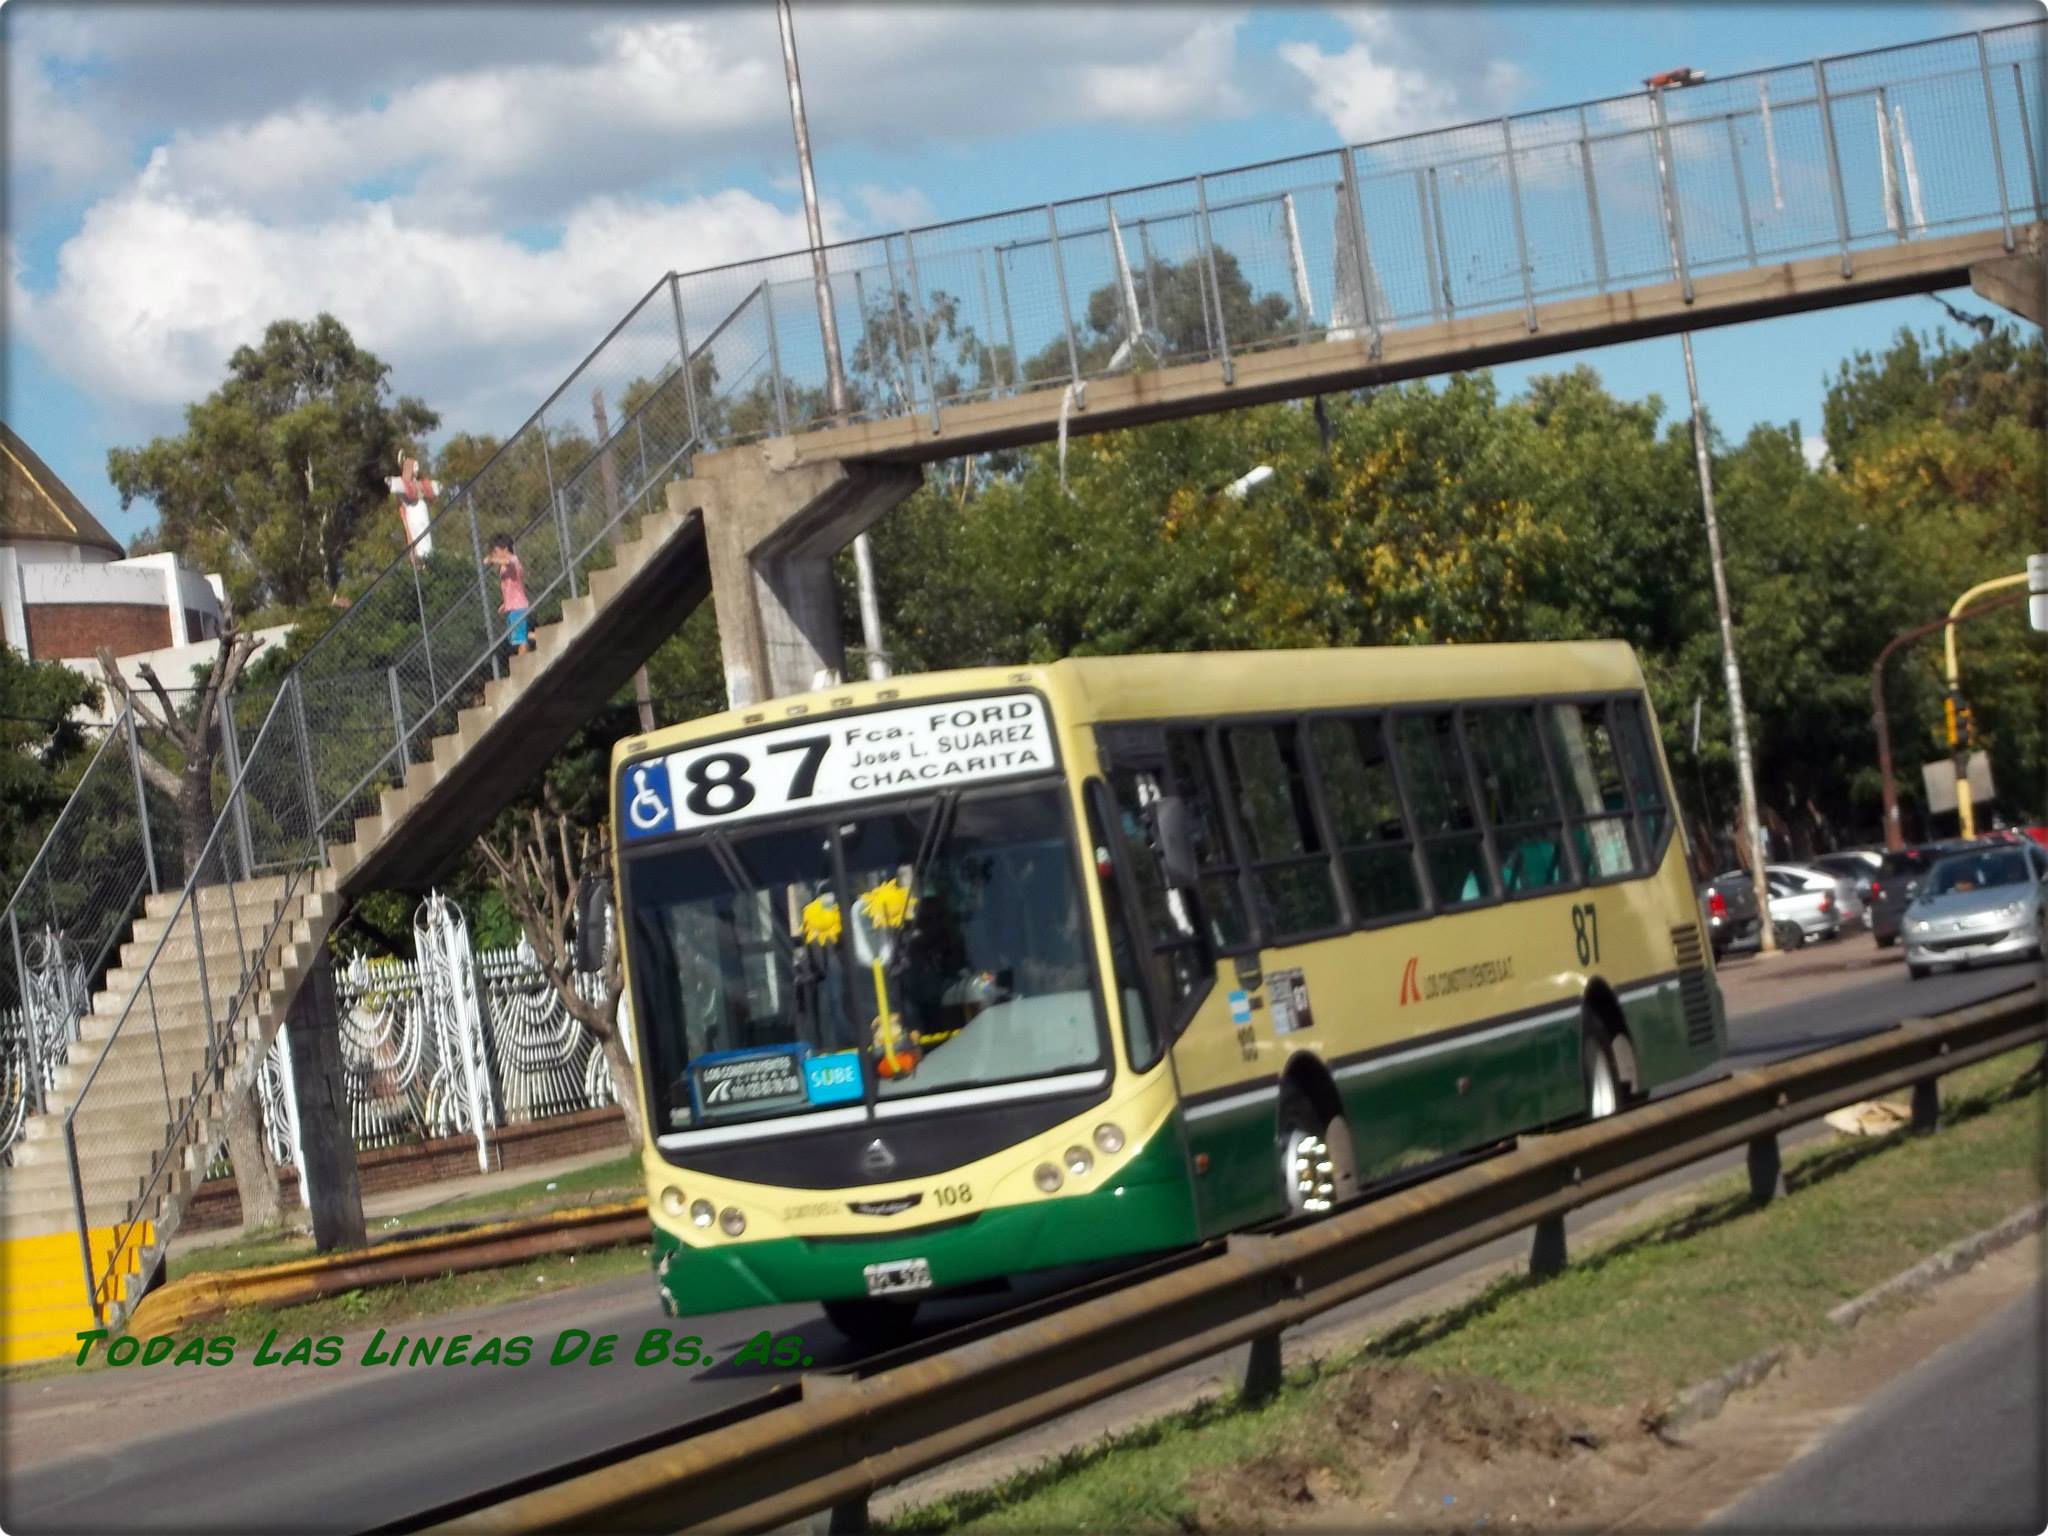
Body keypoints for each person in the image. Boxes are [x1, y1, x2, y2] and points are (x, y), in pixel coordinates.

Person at [485, 533, 532, 654]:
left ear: (505, 548)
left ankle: (524, 664)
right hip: (512, 606)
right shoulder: (505, 566)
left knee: (520, 640)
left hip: (518, 606)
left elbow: (508, 561)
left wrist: (492, 560)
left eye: (495, 551)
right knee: (518, 635)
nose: (494, 554)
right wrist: (505, 604)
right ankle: (542, 637)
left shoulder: (512, 560)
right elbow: (510, 587)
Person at [386, 454, 438, 563]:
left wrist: (425, 489)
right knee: (418, 538)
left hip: (422, 512)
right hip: (413, 513)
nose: (417, 469)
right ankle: (421, 558)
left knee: (426, 535)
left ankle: (428, 558)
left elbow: (434, 488)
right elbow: (393, 484)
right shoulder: (404, 484)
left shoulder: (421, 483)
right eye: (414, 466)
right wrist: (391, 481)